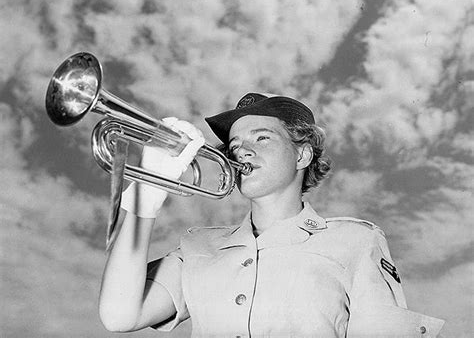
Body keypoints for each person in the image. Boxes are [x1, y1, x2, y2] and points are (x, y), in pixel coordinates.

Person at [99, 93, 445, 337]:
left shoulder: (355, 241)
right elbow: (118, 315)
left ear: (302, 155)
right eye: (234, 147)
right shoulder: (198, 247)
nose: (242, 151)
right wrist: (146, 195)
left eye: (261, 138)